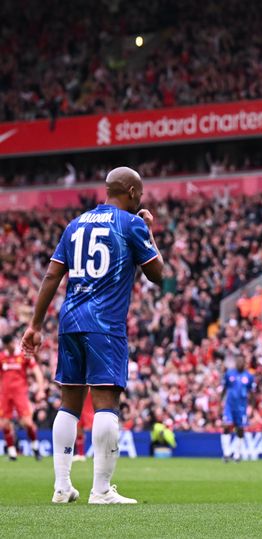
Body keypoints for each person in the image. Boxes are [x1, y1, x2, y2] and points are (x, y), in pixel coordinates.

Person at [21, 166, 164, 504]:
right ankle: (100, 490)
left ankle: (62, 487)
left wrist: (35, 325)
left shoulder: (75, 224)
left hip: (70, 321)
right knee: (106, 403)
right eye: (140, 194)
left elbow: (51, 276)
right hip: (105, 324)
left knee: (69, 403)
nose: (140, 199)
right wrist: (148, 230)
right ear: (131, 192)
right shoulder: (131, 224)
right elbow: (158, 274)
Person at [1, 333, 46, 461]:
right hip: (4, 394)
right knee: (4, 423)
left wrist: (41, 389)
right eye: (7, 345)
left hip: (20, 394)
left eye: (11, 344)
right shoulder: (2, 357)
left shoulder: (23, 355)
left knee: (27, 422)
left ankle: (35, 448)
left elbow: (37, 371)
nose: (10, 347)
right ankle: (12, 453)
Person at [220, 356, 255, 462]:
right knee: (226, 425)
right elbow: (224, 389)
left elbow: (252, 393)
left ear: (244, 363)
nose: (239, 363)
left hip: (242, 406)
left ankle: (237, 453)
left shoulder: (249, 376)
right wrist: (220, 402)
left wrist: (251, 406)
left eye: (241, 361)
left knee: (240, 429)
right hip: (230, 405)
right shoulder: (229, 374)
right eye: (238, 361)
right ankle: (226, 453)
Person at [72, 391, 95, 462]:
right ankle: (80, 454)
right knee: (79, 432)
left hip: (90, 411)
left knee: (96, 432)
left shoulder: (92, 388)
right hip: (80, 411)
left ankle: (98, 454)